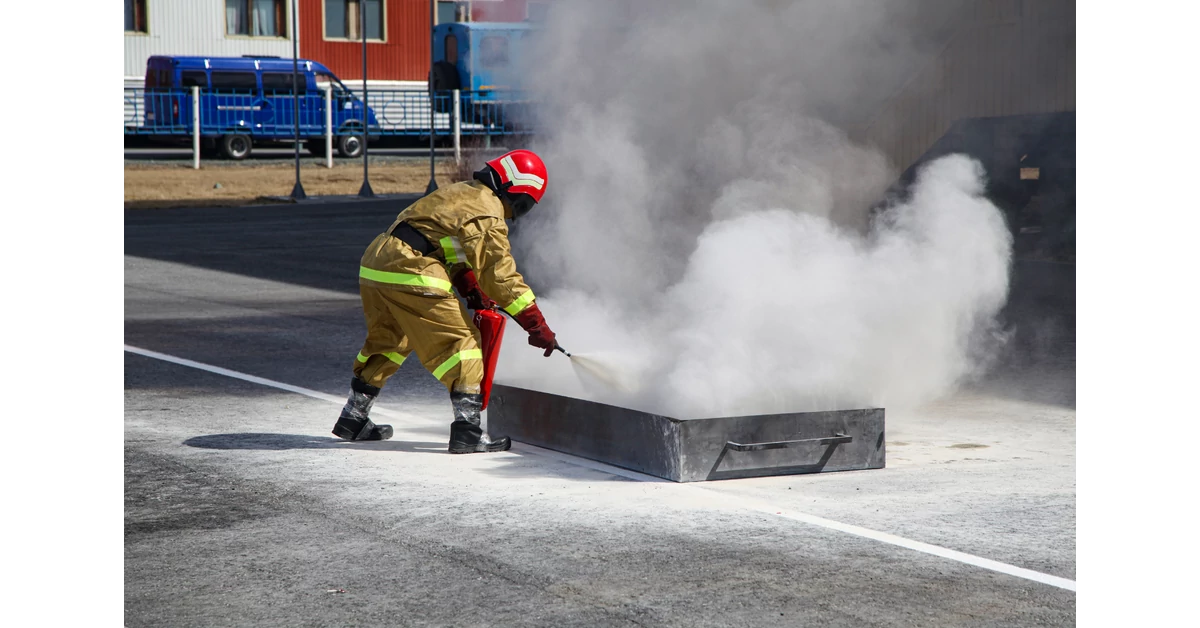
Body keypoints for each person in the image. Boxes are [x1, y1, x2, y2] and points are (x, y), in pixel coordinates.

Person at [331, 149, 558, 454]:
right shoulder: (487, 212)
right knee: (463, 345)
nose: (517, 212)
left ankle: (353, 417)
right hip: (411, 268)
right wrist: (536, 324)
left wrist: (470, 287)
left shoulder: (462, 193)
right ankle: (468, 431)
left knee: (390, 341)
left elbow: (449, 245)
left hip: (377, 263)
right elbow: (500, 276)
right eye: (524, 204)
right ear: (514, 191)